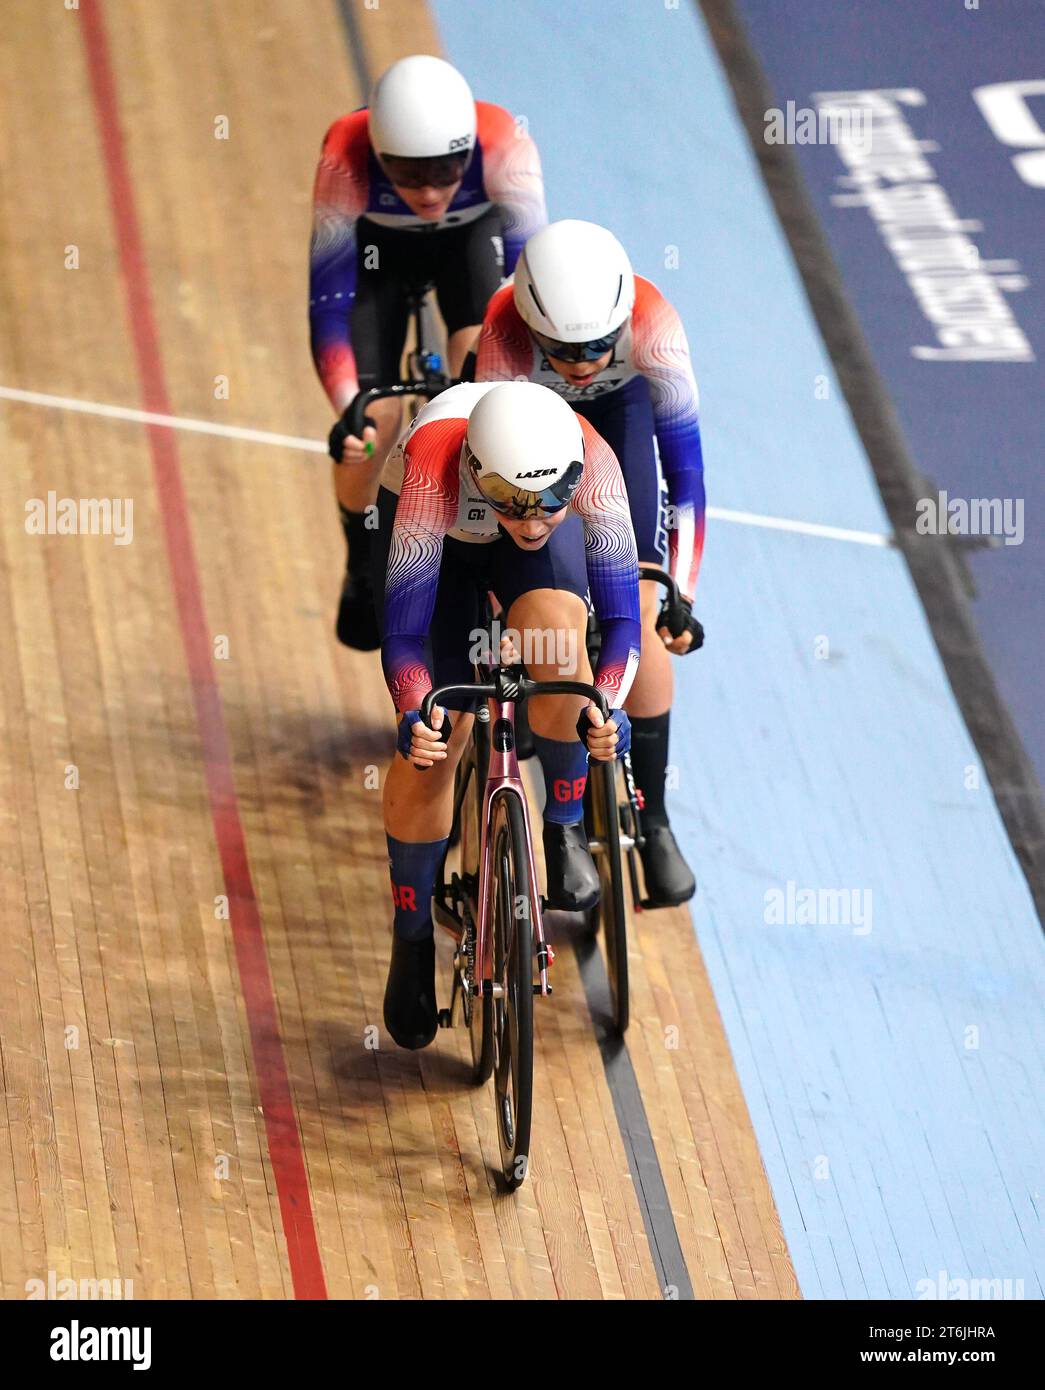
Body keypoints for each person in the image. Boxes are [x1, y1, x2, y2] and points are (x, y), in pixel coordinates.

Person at [372, 381, 641, 1049]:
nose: (531, 520)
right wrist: (413, 708)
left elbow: (620, 620)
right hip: (444, 546)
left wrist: (606, 701)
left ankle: (565, 825)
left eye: (552, 502)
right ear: (474, 471)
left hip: (519, 563)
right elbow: (405, 638)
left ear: (572, 475)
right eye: (514, 503)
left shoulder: (594, 464)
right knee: (442, 729)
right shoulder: (436, 471)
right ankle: (410, 941)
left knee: (560, 643)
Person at [474, 219, 705, 906]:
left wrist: (681, 590)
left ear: (623, 321)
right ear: (527, 324)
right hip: (530, 426)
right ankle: (564, 817)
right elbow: (496, 479)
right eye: (564, 349)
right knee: (555, 597)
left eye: (601, 344)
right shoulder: (501, 329)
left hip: (624, 419)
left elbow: (685, 471)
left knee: (638, 596)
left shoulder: (654, 325)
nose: (583, 362)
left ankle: (655, 820)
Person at [309, 54, 547, 649]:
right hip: (377, 259)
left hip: (470, 248)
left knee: (486, 372)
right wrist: (349, 404)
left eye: (446, 171)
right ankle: (362, 558)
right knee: (375, 422)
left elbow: (525, 286)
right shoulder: (346, 151)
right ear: (378, 152)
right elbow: (329, 301)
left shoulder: (503, 144)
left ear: (468, 150)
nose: (432, 191)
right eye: (410, 175)